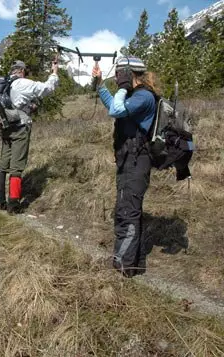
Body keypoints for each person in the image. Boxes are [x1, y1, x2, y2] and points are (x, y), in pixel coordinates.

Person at [92, 56, 158, 278]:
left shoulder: (144, 96)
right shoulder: (135, 96)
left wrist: (122, 87)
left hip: (136, 162)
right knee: (129, 210)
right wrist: (101, 86)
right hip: (129, 160)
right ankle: (134, 265)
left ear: (131, 74)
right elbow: (114, 105)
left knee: (126, 213)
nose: (118, 78)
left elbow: (116, 110)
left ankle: (122, 267)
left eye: (121, 74)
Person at [0, 60, 59, 213]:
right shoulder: (22, 83)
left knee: (3, 163)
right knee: (17, 166)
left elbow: (13, 105)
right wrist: (54, 73)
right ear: (21, 71)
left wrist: (29, 107)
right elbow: (47, 88)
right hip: (20, 127)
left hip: (5, 126)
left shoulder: (3, 86)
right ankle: (14, 204)